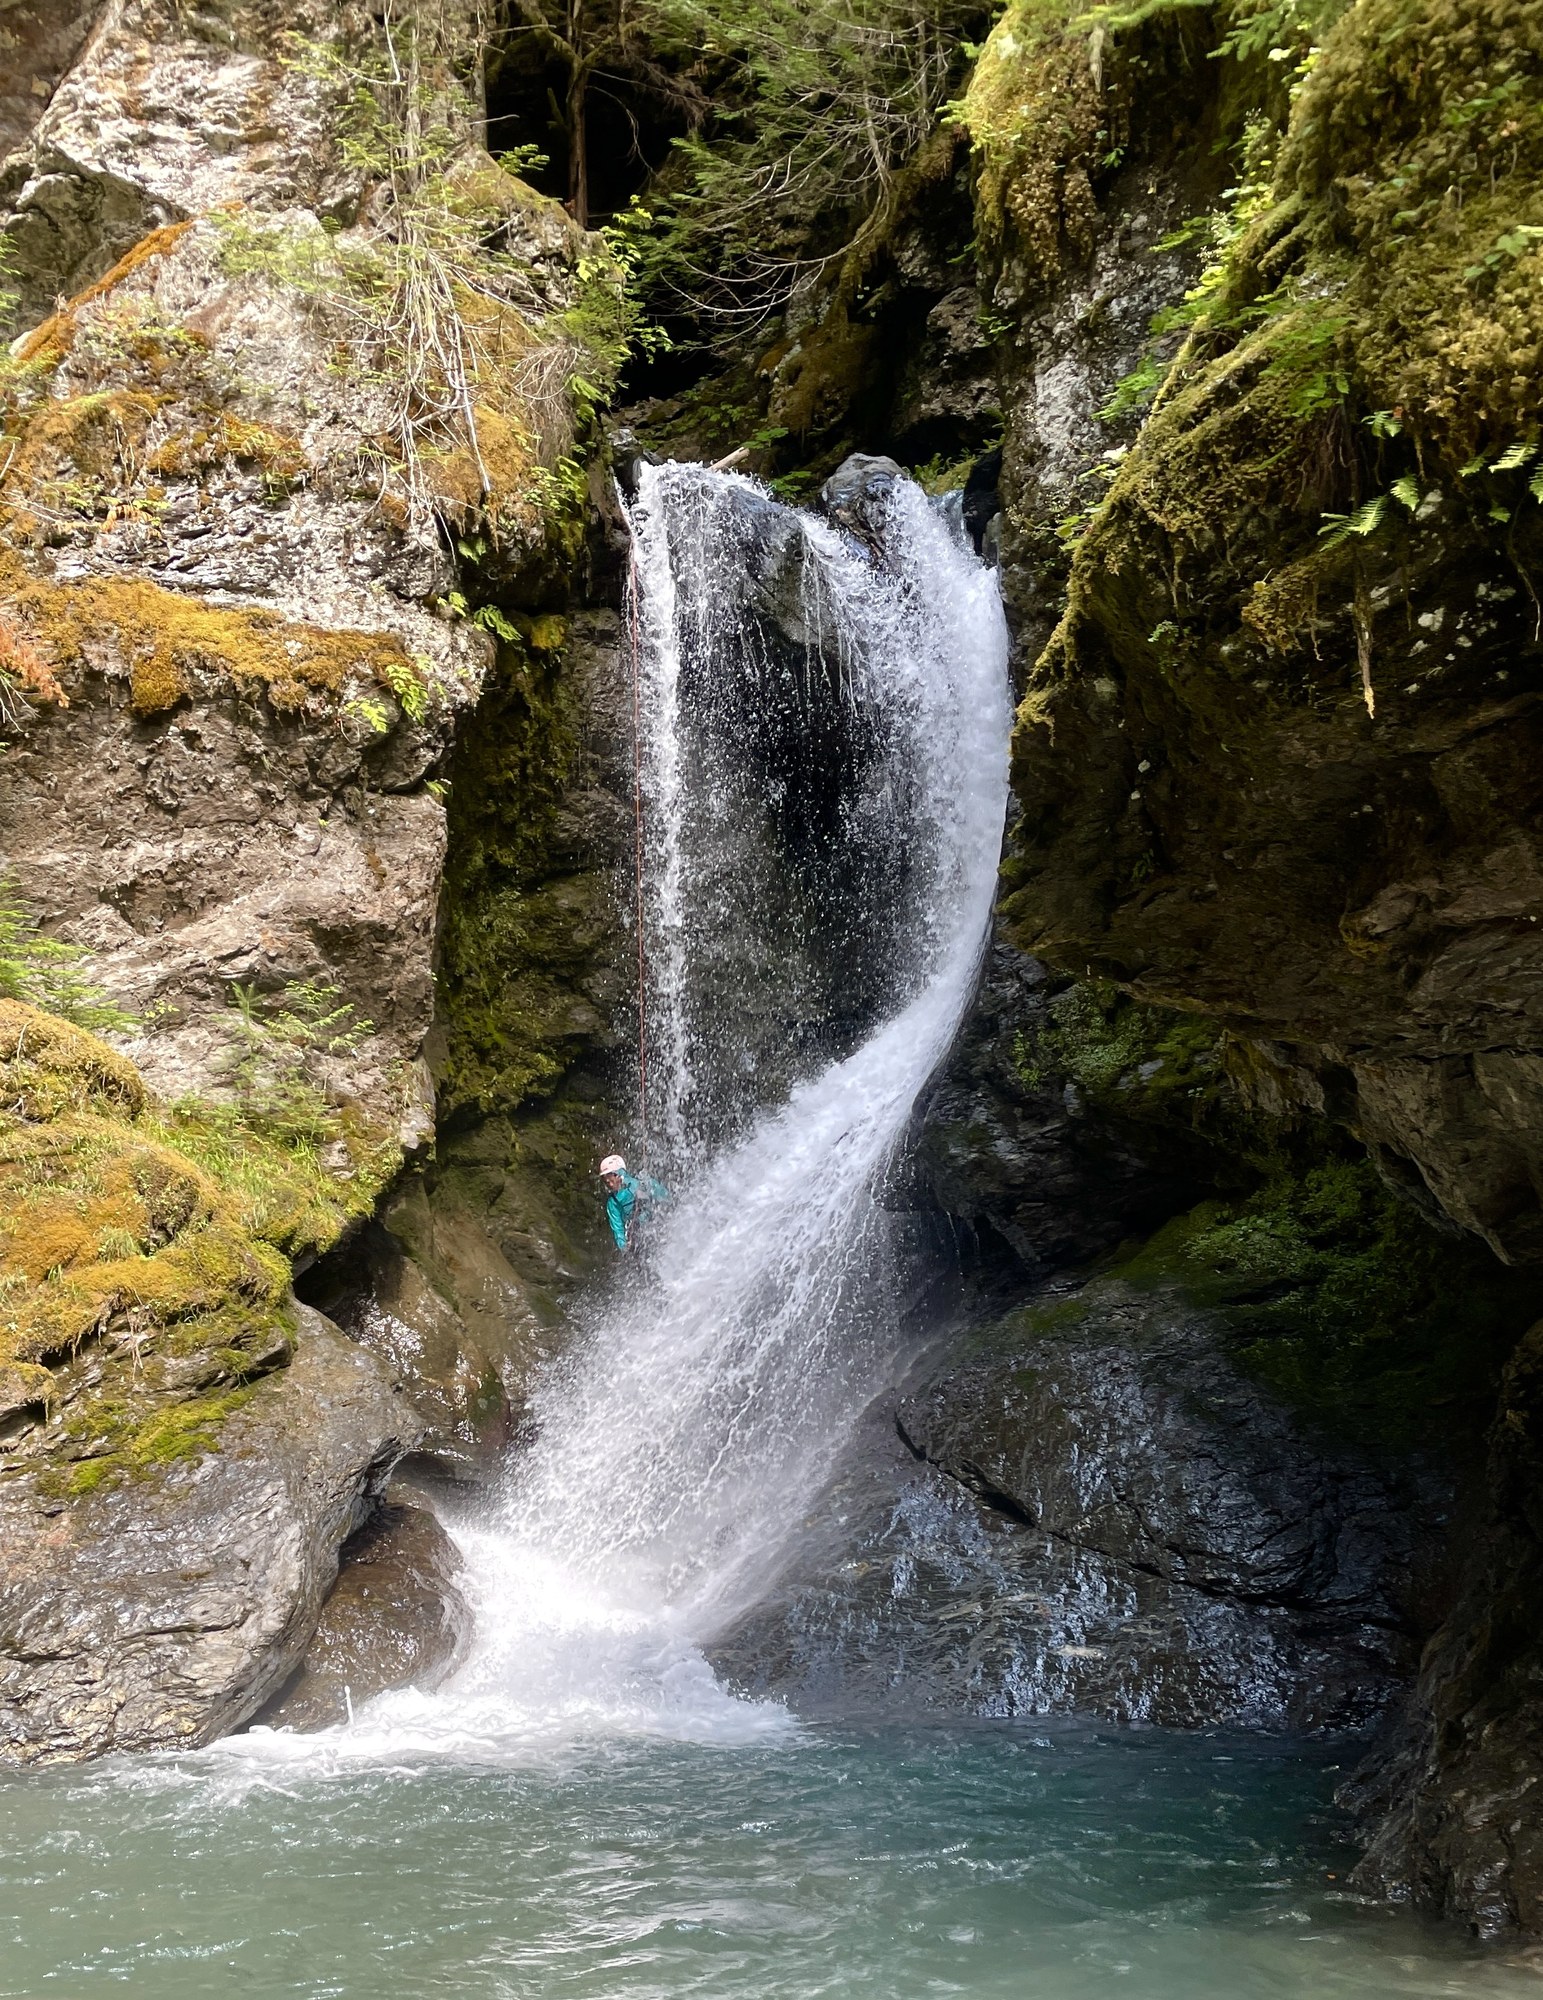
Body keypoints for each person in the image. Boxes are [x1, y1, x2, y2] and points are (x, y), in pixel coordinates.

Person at [598, 1153, 670, 1252]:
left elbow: (666, 1198)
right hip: (639, 1237)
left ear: (619, 1175)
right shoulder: (613, 1202)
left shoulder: (643, 1183)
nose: (610, 1185)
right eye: (607, 1182)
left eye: (611, 1180)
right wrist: (624, 1248)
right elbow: (617, 1228)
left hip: (658, 1227)